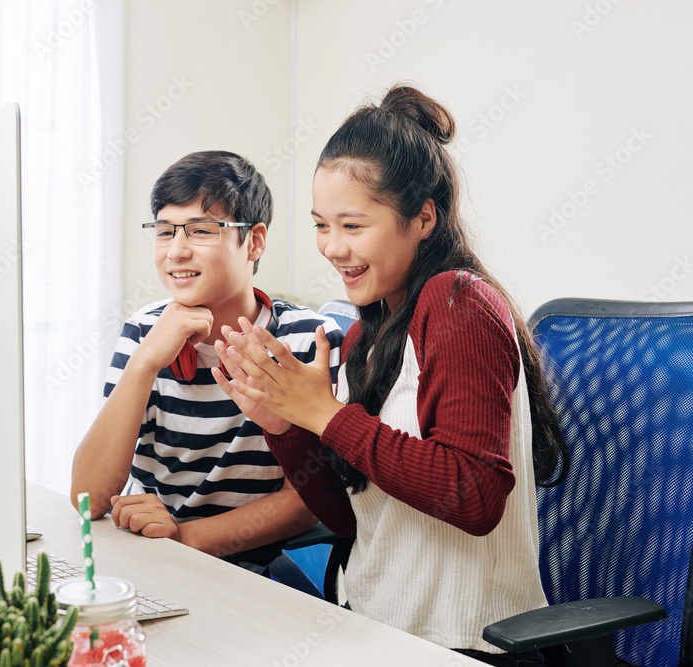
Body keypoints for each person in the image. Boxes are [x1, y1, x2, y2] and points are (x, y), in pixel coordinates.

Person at [214, 87, 570, 665]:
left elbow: (475, 495)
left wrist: (326, 415)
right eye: (321, 225)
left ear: (422, 217)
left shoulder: (460, 304)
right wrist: (287, 426)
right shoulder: (367, 334)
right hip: (373, 631)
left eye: (353, 225)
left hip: (462, 643)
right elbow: (348, 518)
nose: (333, 247)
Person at [71, 150, 345, 566]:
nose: (176, 252)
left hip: (251, 568)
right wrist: (145, 362)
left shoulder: (309, 339)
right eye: (164, 232)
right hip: (151, 556)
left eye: (200, 231)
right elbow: (87, 500)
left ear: (254, 241)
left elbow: (309, 500)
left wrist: (184, 538)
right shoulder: (143, 331)